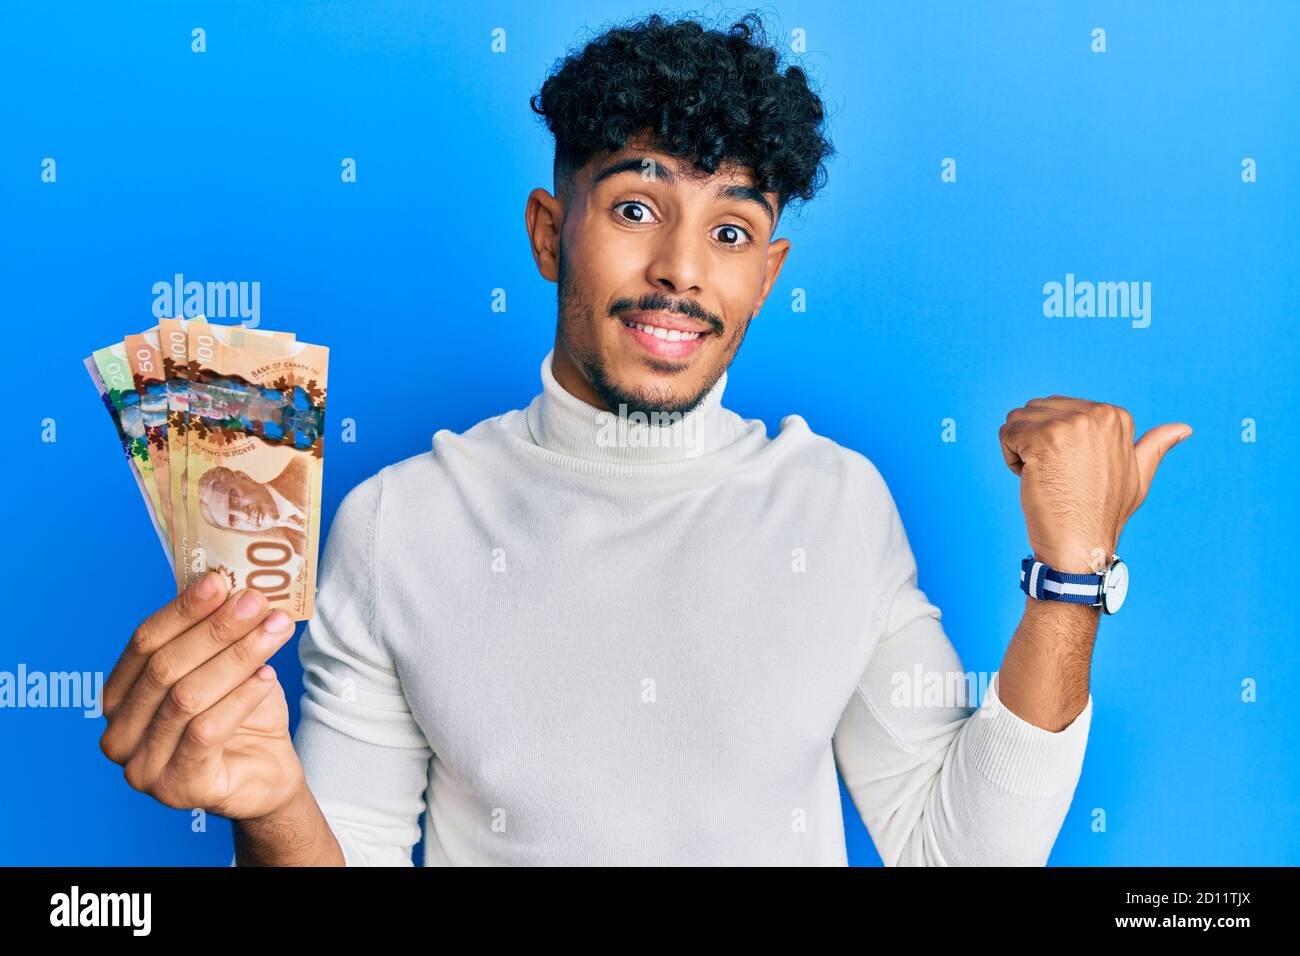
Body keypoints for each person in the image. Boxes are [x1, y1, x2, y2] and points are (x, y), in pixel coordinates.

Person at [98, 11, 1190, 866]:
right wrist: (273, 806)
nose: (680, 267)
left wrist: (1070, 577)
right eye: (633, 208)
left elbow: (962, 855)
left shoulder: (836, 505)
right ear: (547, 232)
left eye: (729, 229)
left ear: (766, 276)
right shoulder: (398, 523)